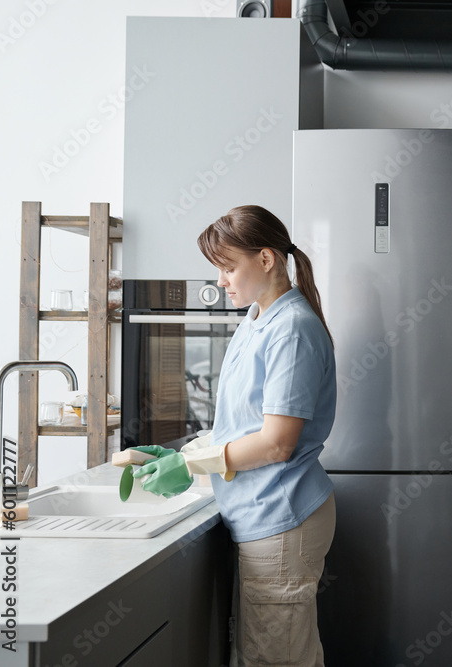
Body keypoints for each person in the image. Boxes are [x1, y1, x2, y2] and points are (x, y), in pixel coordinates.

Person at [133, 204, 337, 667]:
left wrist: (191, 465)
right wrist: (184, 451)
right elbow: (242, 425)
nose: (221, 281)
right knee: (269, 654)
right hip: (259, 512)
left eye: (228, 267)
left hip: (281, 516)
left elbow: (276, 442)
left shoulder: (292, 329)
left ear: (265, 259)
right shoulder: (257, 319)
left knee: (277, 660)